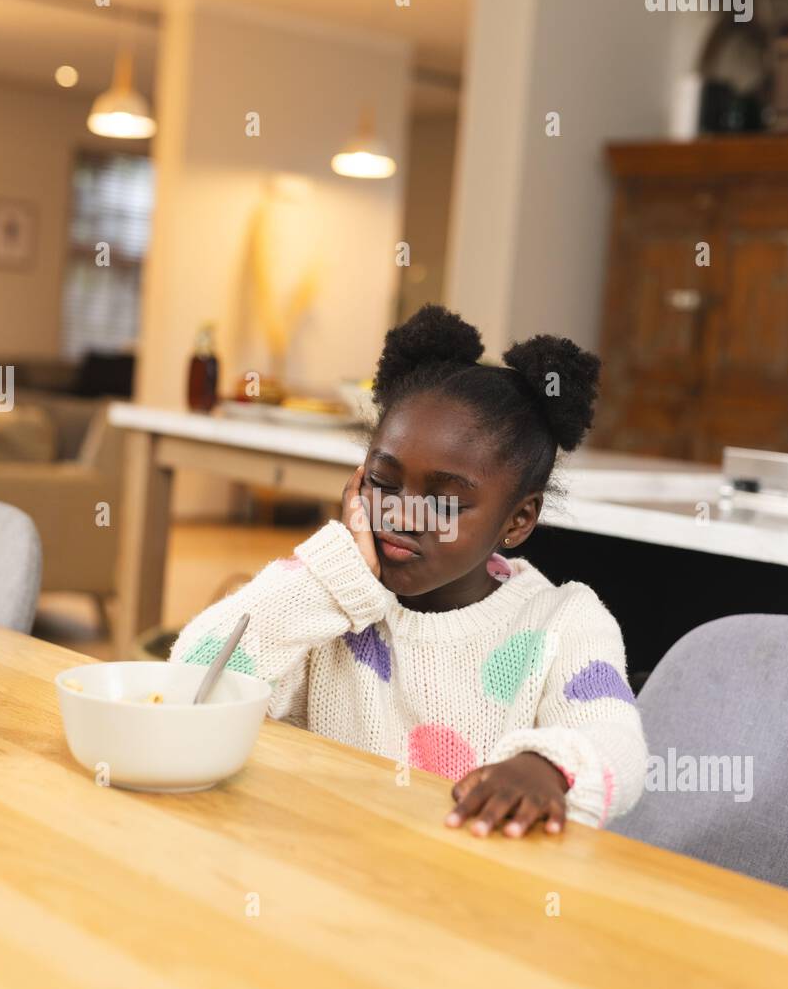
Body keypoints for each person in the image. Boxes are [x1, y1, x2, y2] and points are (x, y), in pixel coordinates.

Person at [170, 305, 647, 837]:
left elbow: (619, 746)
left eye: (445, 502)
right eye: (382, 480)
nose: (399, 514)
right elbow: (193, 680)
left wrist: (546, 768)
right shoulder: (328, 600)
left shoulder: (564, 621)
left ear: (517, 521)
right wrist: (336, 575)